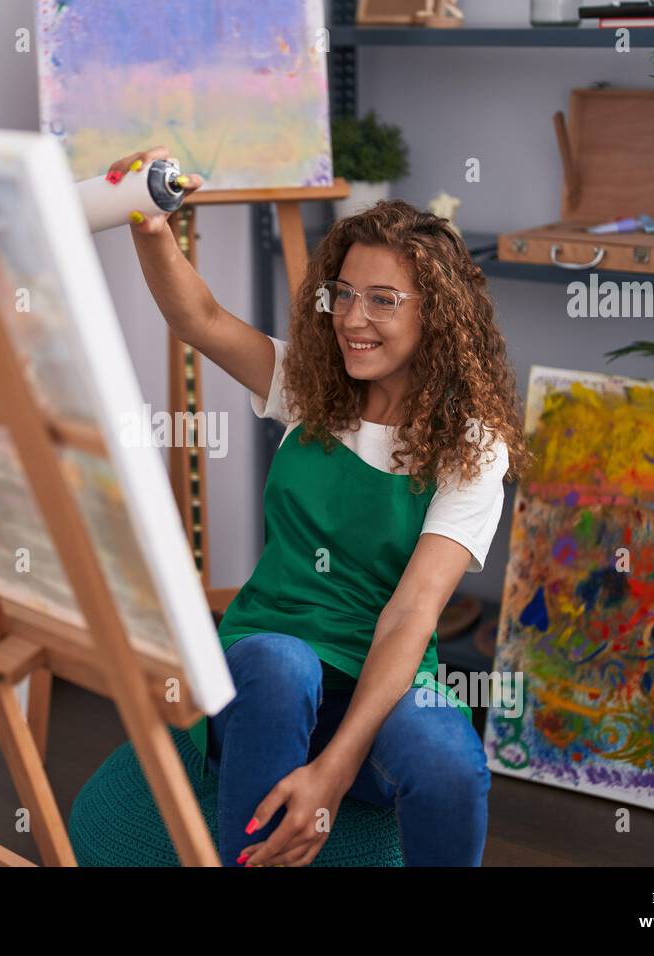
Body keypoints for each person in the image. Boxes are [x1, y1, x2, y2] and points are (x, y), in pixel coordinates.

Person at [112, 147, 530, 867]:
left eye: (382, 299)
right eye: (342, 293)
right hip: (267, 668)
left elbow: (409, 616)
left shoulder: (472, 445)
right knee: (282, 666)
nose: (351, 318)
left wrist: (332, 775)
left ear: (438, 314)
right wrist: (153, 230)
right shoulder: (311, 387)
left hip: (384, 678)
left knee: (448, 766)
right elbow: (200, 317)